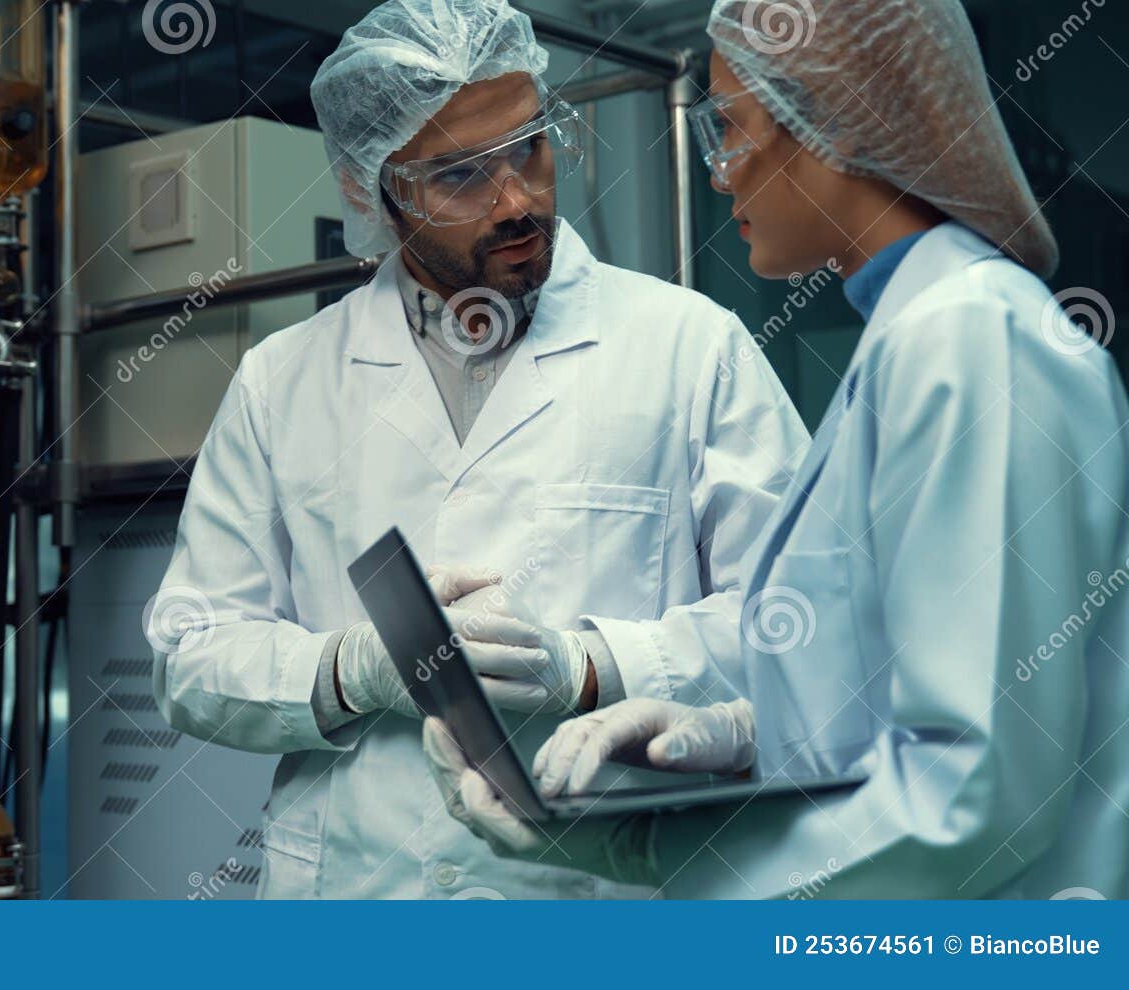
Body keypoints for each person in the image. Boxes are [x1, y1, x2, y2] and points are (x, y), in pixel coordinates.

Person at [426, 0, 1129, 899]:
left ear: (831, 124)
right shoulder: (915, 336)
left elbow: (973, 792)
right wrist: (730, 739)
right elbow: (904, 682)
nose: (721, 176)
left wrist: (662, 853)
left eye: (732, 129)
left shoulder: (967, 340)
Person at [146, 0, 809, 899]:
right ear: (367, 188)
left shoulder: (692, 348)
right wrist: (347, 672)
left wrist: (592, 665)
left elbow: (806, 624)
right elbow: (190, 657)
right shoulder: (284, 381)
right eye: (459, 176)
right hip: (359, 893)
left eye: (530, 146)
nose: (518, 200)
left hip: (591, 895)